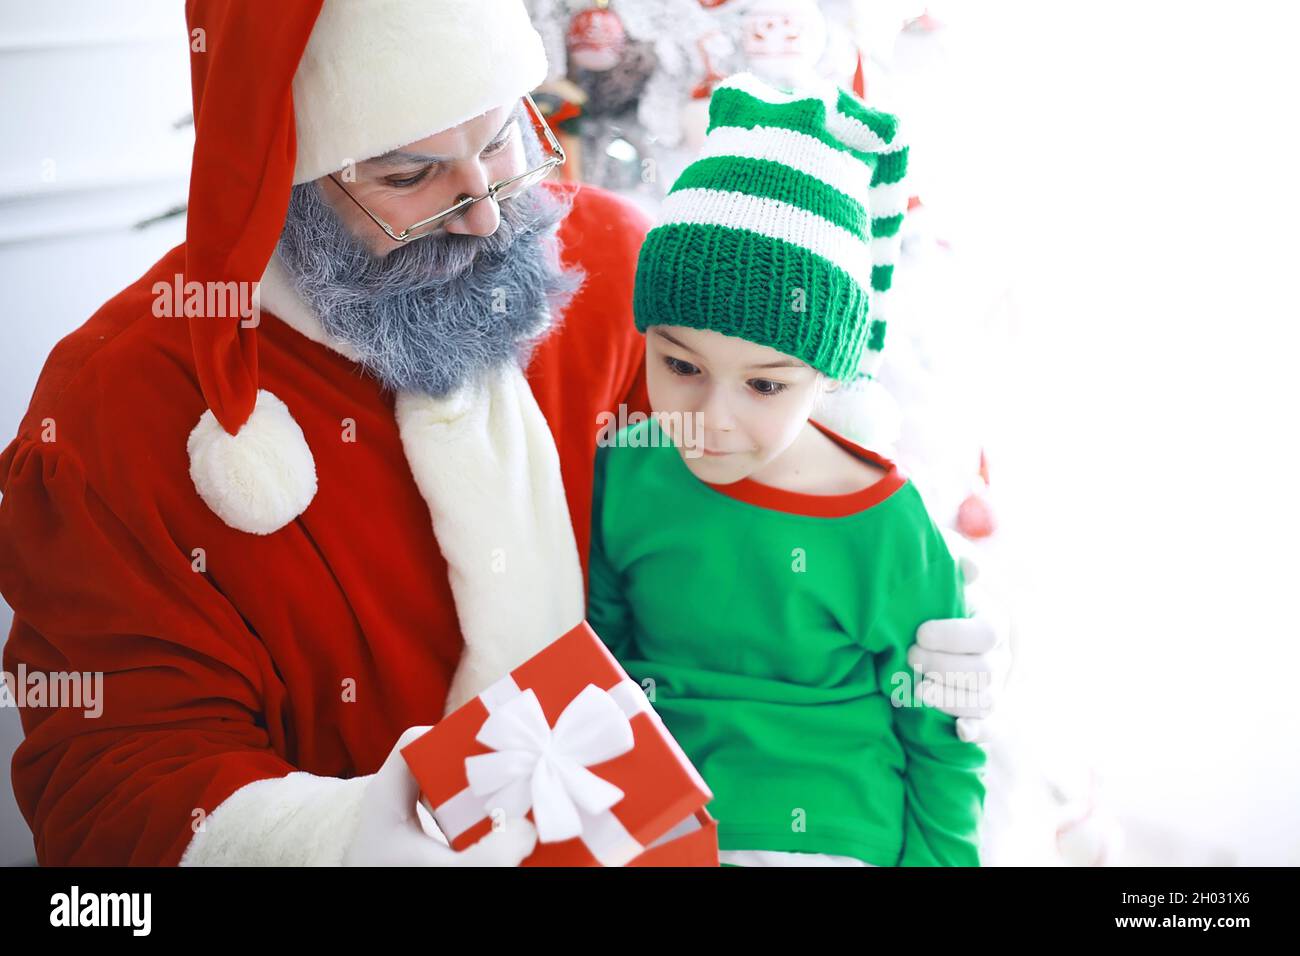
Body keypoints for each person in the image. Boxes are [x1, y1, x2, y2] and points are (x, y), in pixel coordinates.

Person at [0, 1, 1004, 867]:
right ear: (284, 179)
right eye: (407, 176)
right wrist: (346, 835)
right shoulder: (119, 407)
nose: (484, 215)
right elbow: (111, 774)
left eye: (502, 143)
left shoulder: (614, 272)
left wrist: (912, 634)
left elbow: (729, 538)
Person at [587, 73, 985, 866]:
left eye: (765, 384)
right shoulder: (627, 475)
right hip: (659, 827)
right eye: (680, 364)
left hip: (838, 835)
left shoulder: (888, 524)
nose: (713, 417)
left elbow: (944, 740)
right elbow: (601, 670)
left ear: (827, 377)